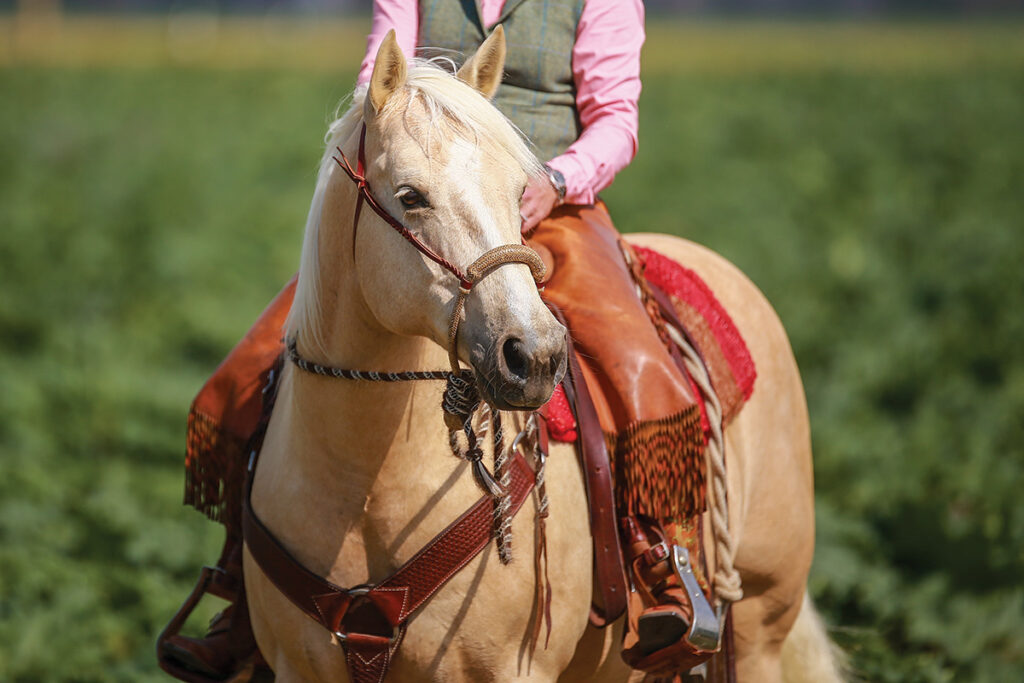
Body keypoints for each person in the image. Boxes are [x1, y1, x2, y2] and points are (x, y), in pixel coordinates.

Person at [161, 2, 713, 679]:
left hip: (543, 200)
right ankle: (241, 588)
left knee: (636, 359)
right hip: (421, 197)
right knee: (252, 371)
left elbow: (616, 122)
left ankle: (663, 562)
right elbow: (380, 68)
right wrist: (385, 124)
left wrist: (556, 179)